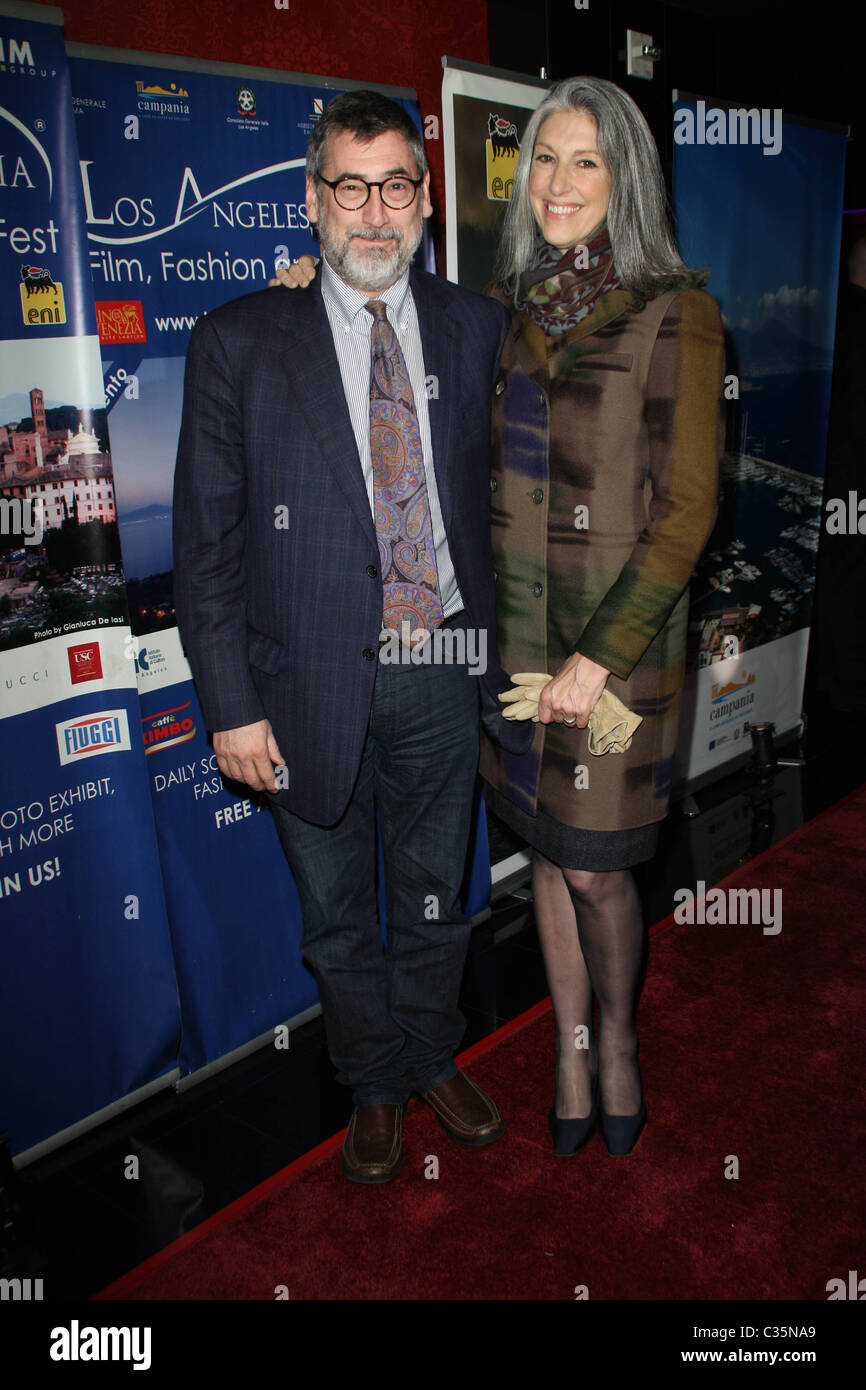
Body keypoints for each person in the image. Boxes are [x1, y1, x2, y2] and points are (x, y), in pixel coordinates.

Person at [274, 75, 725, 1160]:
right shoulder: (510, 315)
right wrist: (305, 288)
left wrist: (597, 660)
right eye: (545, 162)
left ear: (625, 179)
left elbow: (686, 516)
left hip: (610, 665)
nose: (560, 184)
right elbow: (374, 323)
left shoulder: (679, 313)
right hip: (515, 662)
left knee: (596, 869)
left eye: (587, 162)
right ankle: (566, 1046)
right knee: (549, 862)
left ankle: (615, 1042)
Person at [173, 89, 531, 1186]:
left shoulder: (476, 328)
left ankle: (429, 1055)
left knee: (437, 891)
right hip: (299, 681)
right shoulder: (238, 339)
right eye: (350, 185)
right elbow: (206, 544)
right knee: (332, 909)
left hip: (442, 663)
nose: (373, 212)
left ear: (423, 198)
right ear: (311, 199)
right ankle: (371, 1080)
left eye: (395, 185)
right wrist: (229, 702)